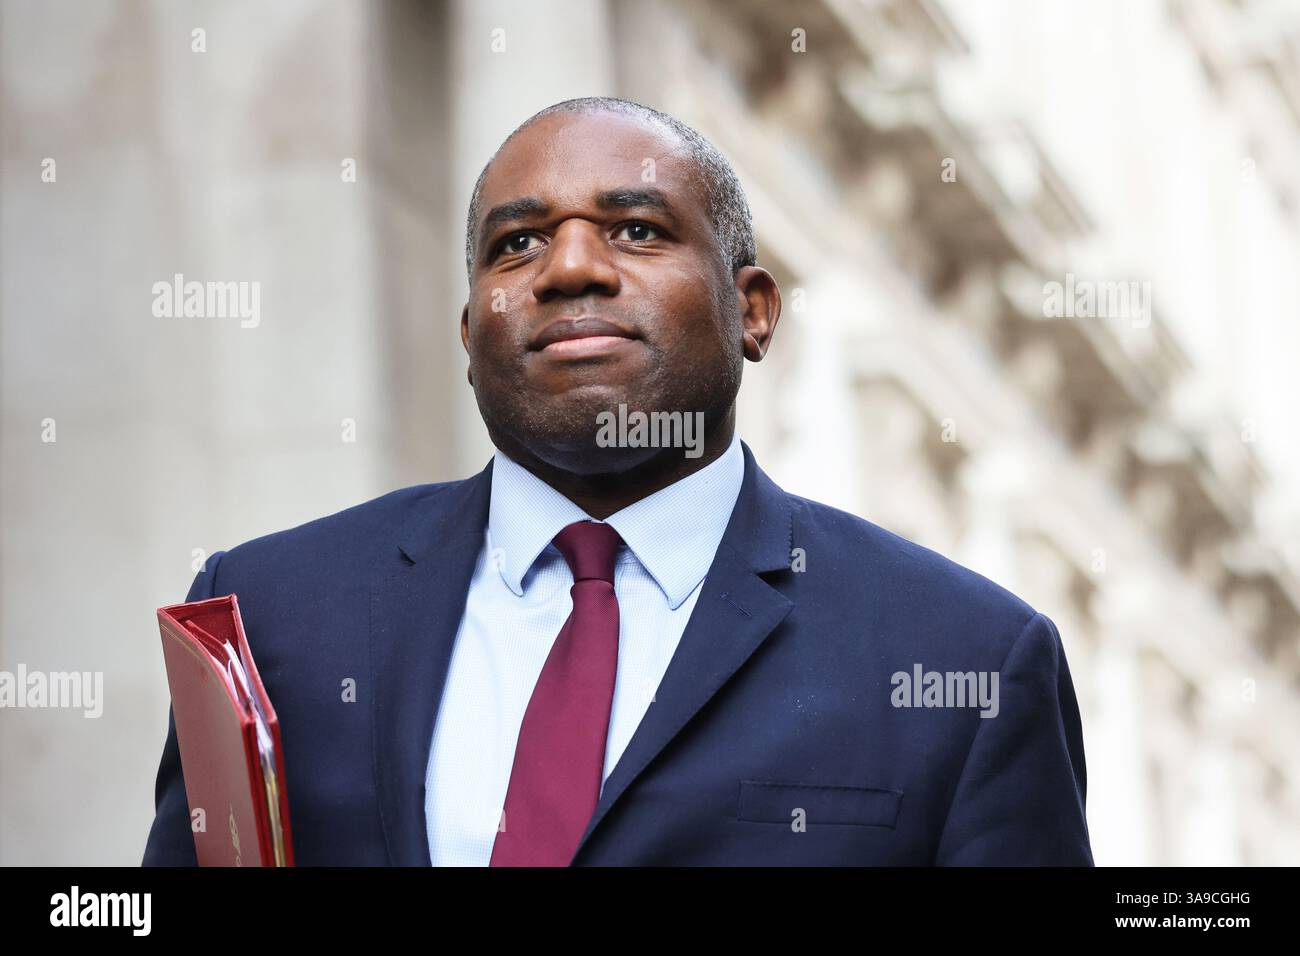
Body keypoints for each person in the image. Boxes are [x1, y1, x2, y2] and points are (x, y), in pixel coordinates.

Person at [143, 96, 1093, 866]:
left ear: (753, 311)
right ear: (471, 336)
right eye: (516, 244)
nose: (569, 268)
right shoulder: (268, 614)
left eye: (635, 230)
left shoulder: (969, 662)